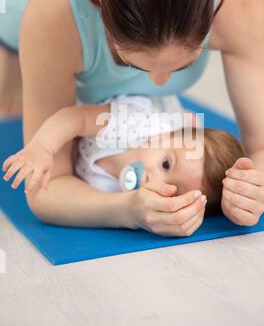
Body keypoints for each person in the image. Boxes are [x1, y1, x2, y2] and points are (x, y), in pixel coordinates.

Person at [0, 0, 264, 235]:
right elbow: (45, 188)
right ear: (101, 2)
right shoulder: (53, 11)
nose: (159, 84)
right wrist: (127, 212)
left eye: (182, 65)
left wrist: (255, 187)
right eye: (132, 64)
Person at [2, 94, 245, 235]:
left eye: (173, 191)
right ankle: (179, 114)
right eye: (166, 164)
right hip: (111, 101)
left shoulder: (129, 194)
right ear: (159, 136)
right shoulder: (130, 126)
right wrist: (43, 148)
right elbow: (73, 117)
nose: (156, 182)